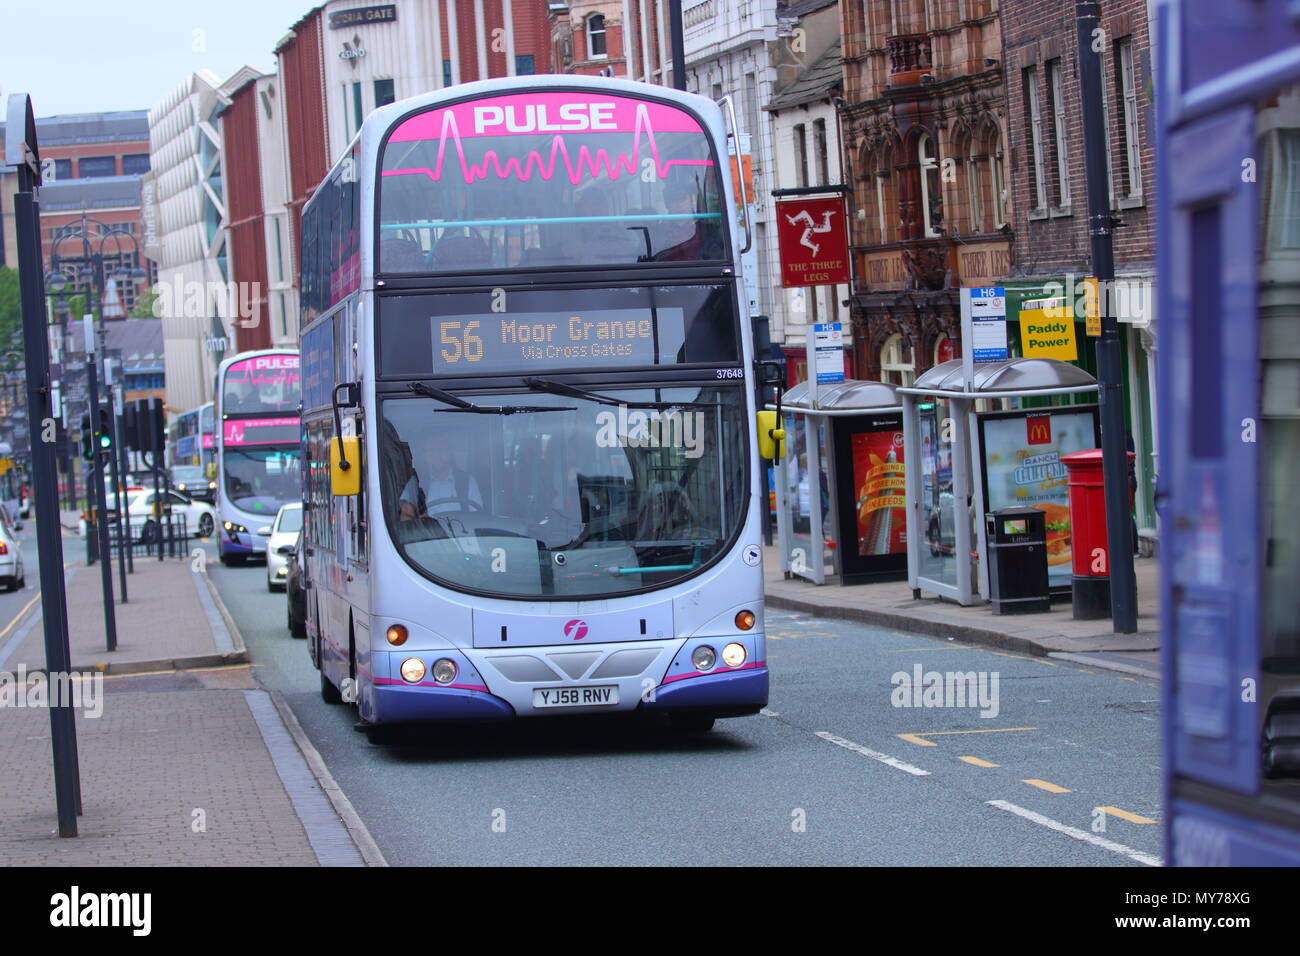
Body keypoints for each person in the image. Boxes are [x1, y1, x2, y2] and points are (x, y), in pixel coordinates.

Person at [400, 442, 482, 518]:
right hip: (425, 532)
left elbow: (477, 517)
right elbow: (404, 515)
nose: (436, 455)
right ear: (424, 455)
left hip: (462, 532)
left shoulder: (467, 480)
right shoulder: (415, 482)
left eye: (441, 449)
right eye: (431, 451)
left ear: (449, 452)